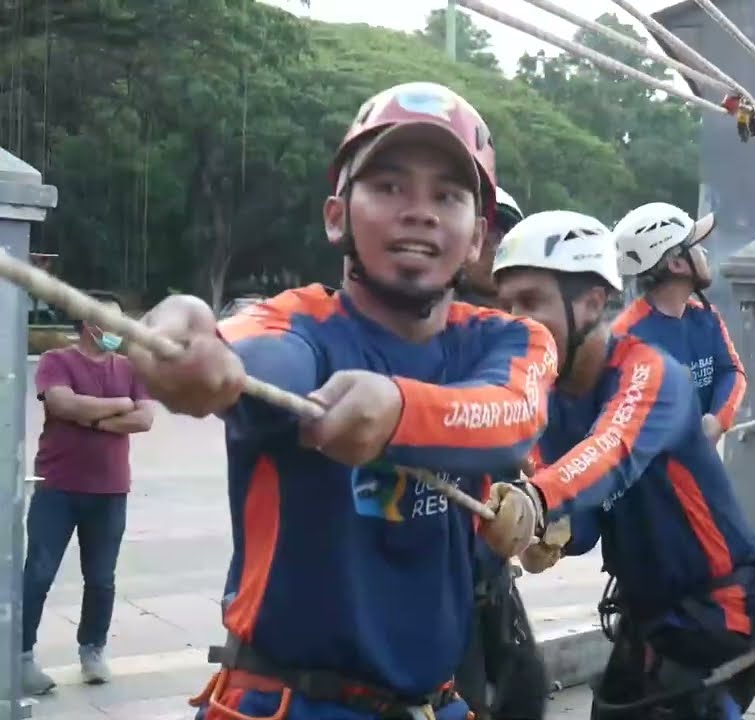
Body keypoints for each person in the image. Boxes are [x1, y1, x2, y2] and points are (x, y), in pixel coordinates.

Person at [125, 82, 556, 720]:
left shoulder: (506, 340)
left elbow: (513, 412)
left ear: (477, 239)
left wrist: (398, 412)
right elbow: (255, 360)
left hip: (435, 702)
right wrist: (193, 345)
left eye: (447, 195)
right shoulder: (295, 325)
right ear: (336, 216)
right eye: (389, 186)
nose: (420, 211)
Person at [488, 210, 755, 720]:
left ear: (592, 302)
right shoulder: (549, 397)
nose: (514, 320)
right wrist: (550, 536)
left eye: (530, 302)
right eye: (505, 304)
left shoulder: (652, 371)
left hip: (718, 609)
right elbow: (584, 524)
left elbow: (611, 448)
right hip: (647, 613)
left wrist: (539, 497)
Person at [21, 291, 158, 695]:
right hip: (57, 486)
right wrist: (120, 403)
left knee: (101, 578)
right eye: (108, 320)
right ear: (87, 323)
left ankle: (93, 649)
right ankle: (19, 656)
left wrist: (93, 419)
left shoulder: (130, 367)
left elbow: (145, 419)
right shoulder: (56, 361)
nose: (116, 329)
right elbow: (63, 404)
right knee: (39, 573)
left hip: (110, 489)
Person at [454, 185, 551, 720]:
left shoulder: (518, 333)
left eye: (504, 233)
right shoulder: (442, 326)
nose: (494, 245)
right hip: (442, 570)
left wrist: (545, 502)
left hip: (489, 564)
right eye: (487, 232)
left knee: (525, 692)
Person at [612, 203, 746, 443]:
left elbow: (731, 372)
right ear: (677, 264)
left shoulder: (706, 317)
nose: (704, 252)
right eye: (696, 246)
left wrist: (717, 420)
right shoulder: (625, 337)